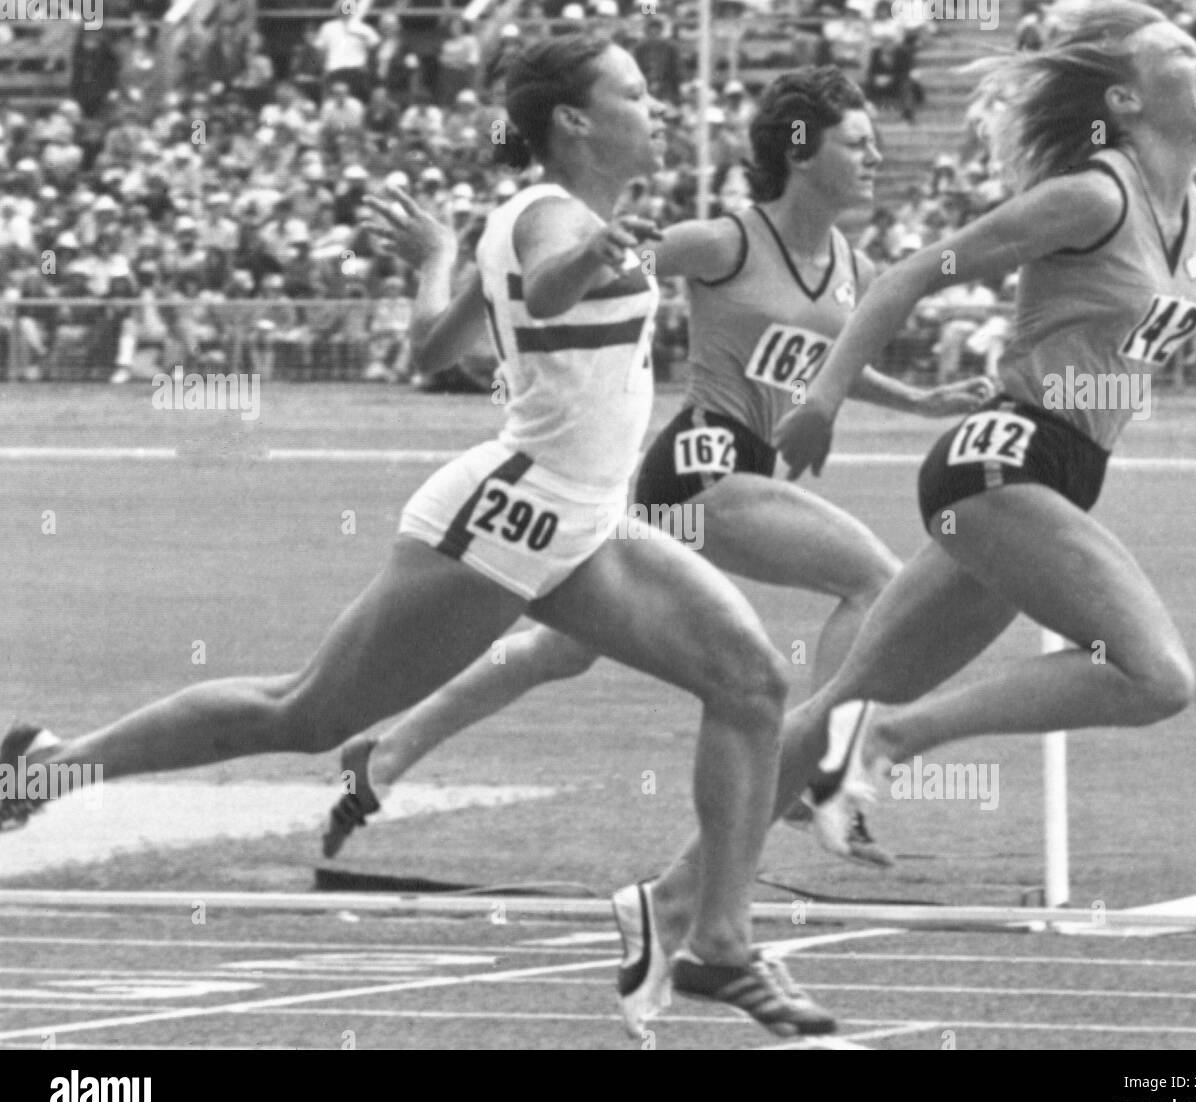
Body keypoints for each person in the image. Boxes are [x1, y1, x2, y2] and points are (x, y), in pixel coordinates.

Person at [0, 35, 835, 1039]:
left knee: (749, 683)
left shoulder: (522, 223)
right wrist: (586, 257)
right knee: (303, 715)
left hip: (581, 521)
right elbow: (555, 284)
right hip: (507, 519)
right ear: (574, 121)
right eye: (635, 91)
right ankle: (50, 767)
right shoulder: (549, 218)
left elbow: (430, 347)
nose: (656, 107)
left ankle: (716, 945)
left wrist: (442, 255)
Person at [588, 0, 1196, 1030]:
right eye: (1183, 53)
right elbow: (901, 279)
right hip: (1002, 464)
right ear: (1123, 96)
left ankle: (673, 906)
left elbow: (1121, 343)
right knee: (1154, 676)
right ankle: (886, 744)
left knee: (829, 699)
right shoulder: (1086, 197)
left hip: (1055, 475)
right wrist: (826, 398)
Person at [321, 67, 991, 874]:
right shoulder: (725, 241)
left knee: (558, 651)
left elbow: (821, 355)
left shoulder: (846, 260)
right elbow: (579, 266)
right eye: (859, 141)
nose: (878, 155)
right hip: (698, 465)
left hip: (733, 474)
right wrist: (499, 289)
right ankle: (809, 765)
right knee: (877, 583)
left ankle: (384, 755)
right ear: (805, 152)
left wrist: (917, 400)